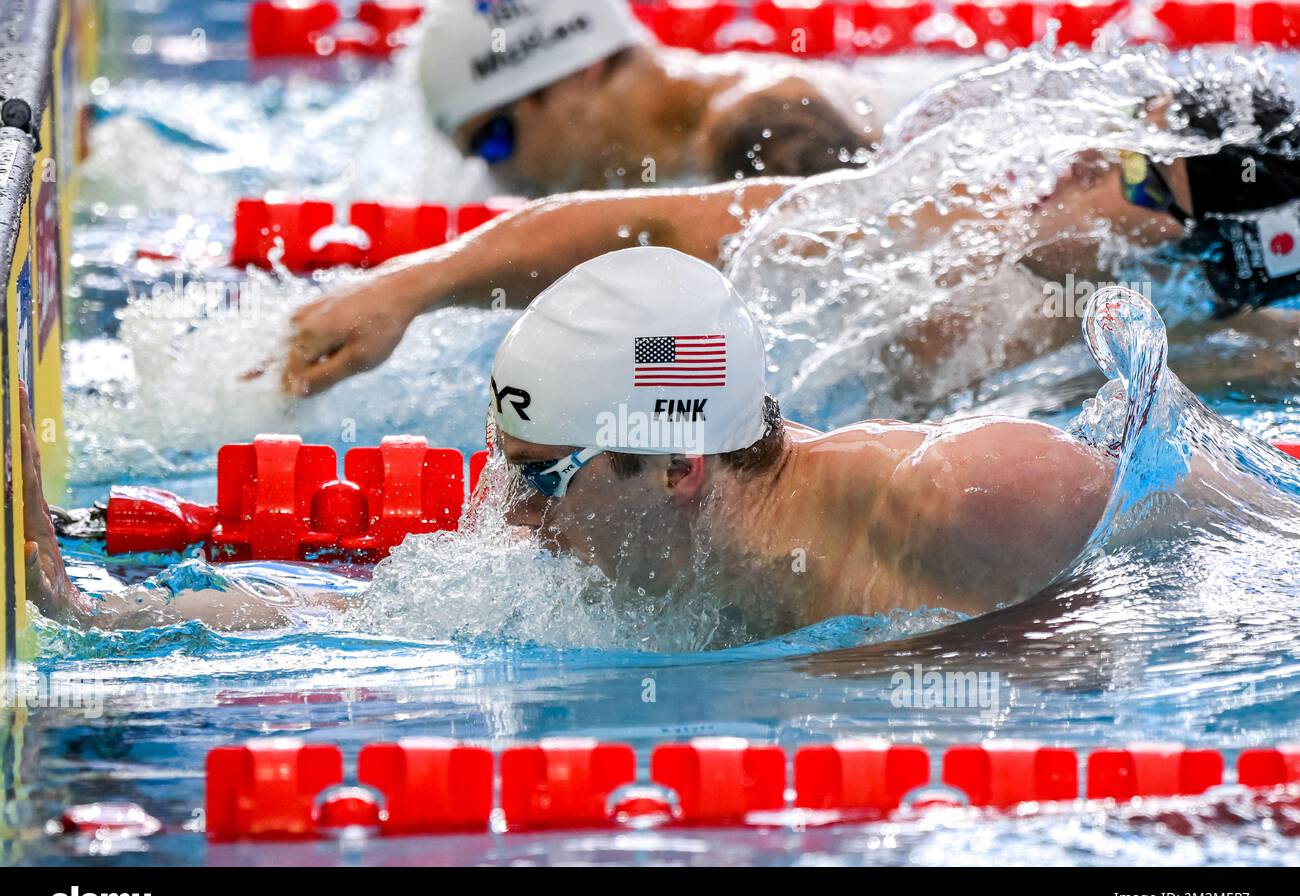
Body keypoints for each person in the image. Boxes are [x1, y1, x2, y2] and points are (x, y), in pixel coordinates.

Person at [29, 248, 1115, 638]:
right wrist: (98, 603)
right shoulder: (618, 543)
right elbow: (368, 617)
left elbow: (1191, 558)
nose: (509, 514)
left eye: (541, 478)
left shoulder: (975, 494)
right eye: (505, 465)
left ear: (679, 466)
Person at [277, 72, 1300, 399]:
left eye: (1116, 169)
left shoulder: (1178, 313)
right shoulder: (959, 226)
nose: (1066, 168)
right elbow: (662, 222)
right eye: (1094, 146)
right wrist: (414, 283)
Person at [414, 0, 878, 193]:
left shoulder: (760, 127)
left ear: (579, 72)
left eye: (494, 140)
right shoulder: (669, 160)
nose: (498, 179)